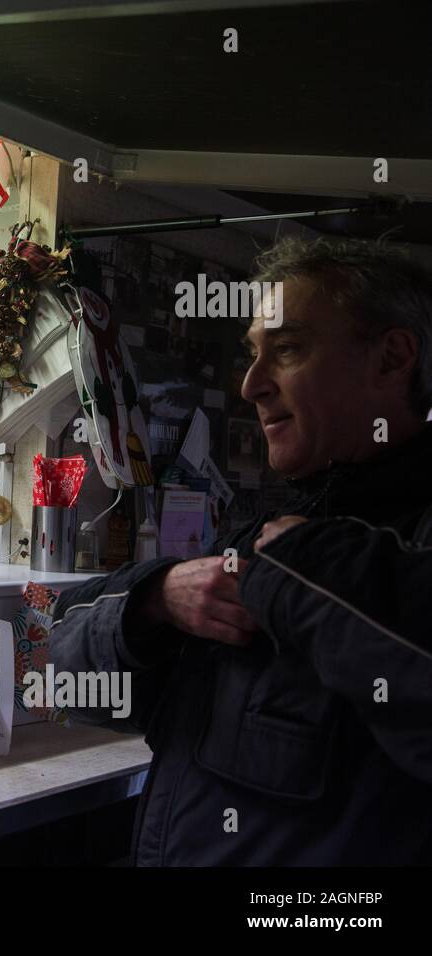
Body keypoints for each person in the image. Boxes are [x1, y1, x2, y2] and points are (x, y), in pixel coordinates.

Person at [49, 237, 432, 865]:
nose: (252, 383)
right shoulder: (256, 535)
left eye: (287, 349)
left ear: (391, 359)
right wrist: (154, 602)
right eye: (254, 355)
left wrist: (310, 570)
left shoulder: (381, 542)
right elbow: (52, 676)